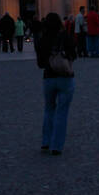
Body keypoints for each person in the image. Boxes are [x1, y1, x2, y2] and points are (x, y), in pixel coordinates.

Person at [35, 12, 78, 156]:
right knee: (62, 112)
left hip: (48, 78)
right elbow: (74, 54)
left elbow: (40, 63)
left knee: (49, 109)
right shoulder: (65, 36)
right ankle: (57, 146)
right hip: (65, 77)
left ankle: (45, 141)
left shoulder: (42, 39)